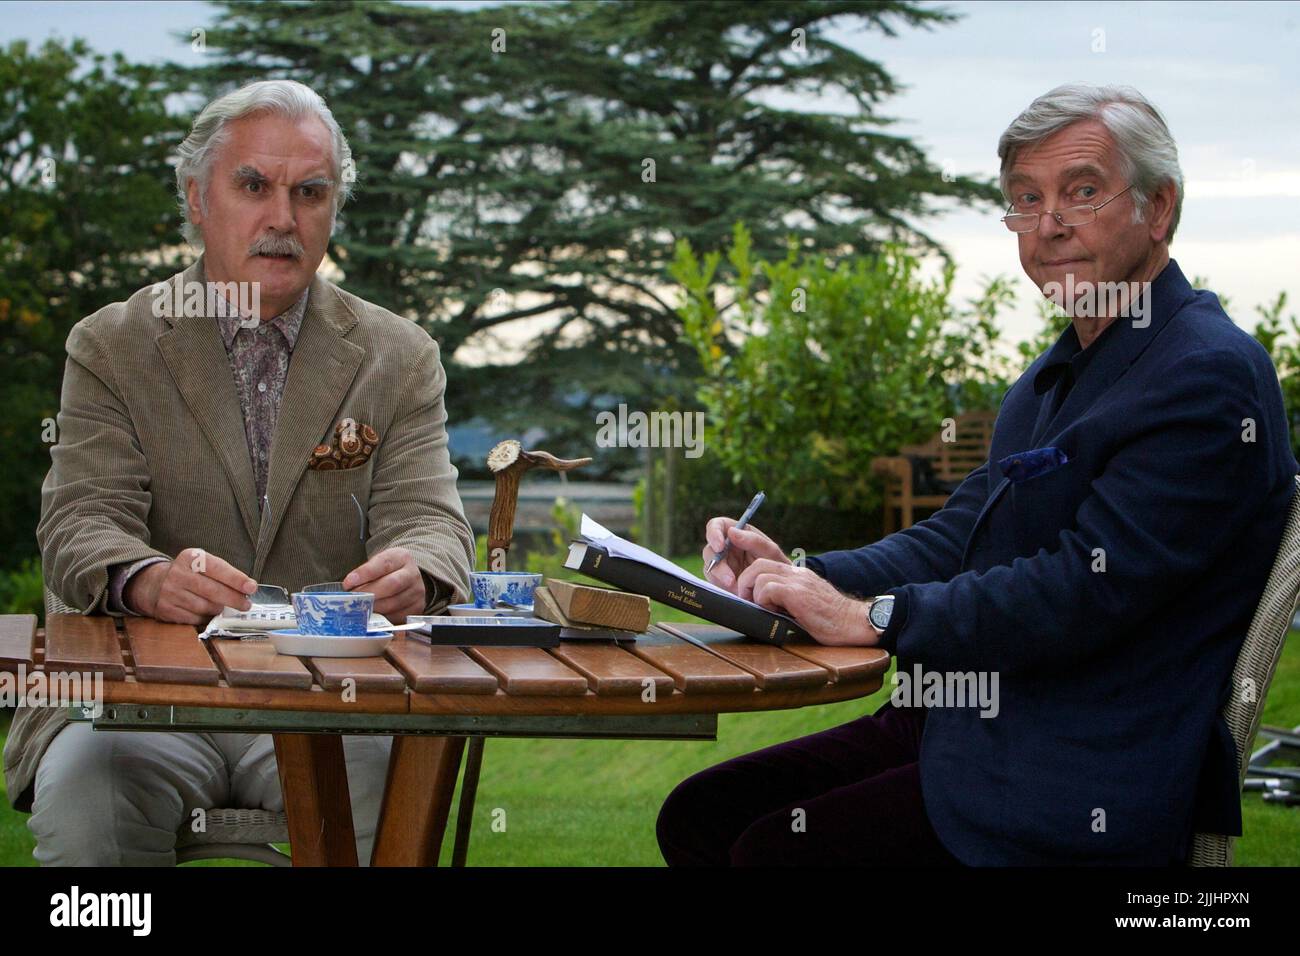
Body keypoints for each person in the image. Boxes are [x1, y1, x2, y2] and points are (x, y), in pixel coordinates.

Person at [657, 83, 1298, 866]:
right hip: (974, 720)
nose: (1050, 224)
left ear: (1158, 208)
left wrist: (879, 618)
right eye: (1026, 200)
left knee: (771, 852)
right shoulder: (1055, 374)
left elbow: (1082, 590)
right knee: (702, 813)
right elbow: (966, 533)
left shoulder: (1207, 374)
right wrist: (794, 573)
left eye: (1082, 191)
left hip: (1078, 772)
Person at [4, 79, 475, 865]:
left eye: (310, 192)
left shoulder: (401, 356)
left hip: (332, 703)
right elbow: (79, 522)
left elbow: (434, 521)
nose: (283, 218)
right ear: (197, 197)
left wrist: (418, 570)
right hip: (137, 706)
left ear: (332, 209)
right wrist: (148, 579)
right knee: (88, 804)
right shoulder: (110, 345)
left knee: (395, 808)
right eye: (253, 185)